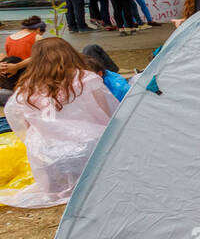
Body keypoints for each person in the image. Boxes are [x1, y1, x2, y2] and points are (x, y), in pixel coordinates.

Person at [1, 38, 117, 207]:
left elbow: (19, 121)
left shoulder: (27, 86)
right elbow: (110, 112)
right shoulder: (86, 78)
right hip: (88, 148)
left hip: (46, 155)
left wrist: (38, 140)